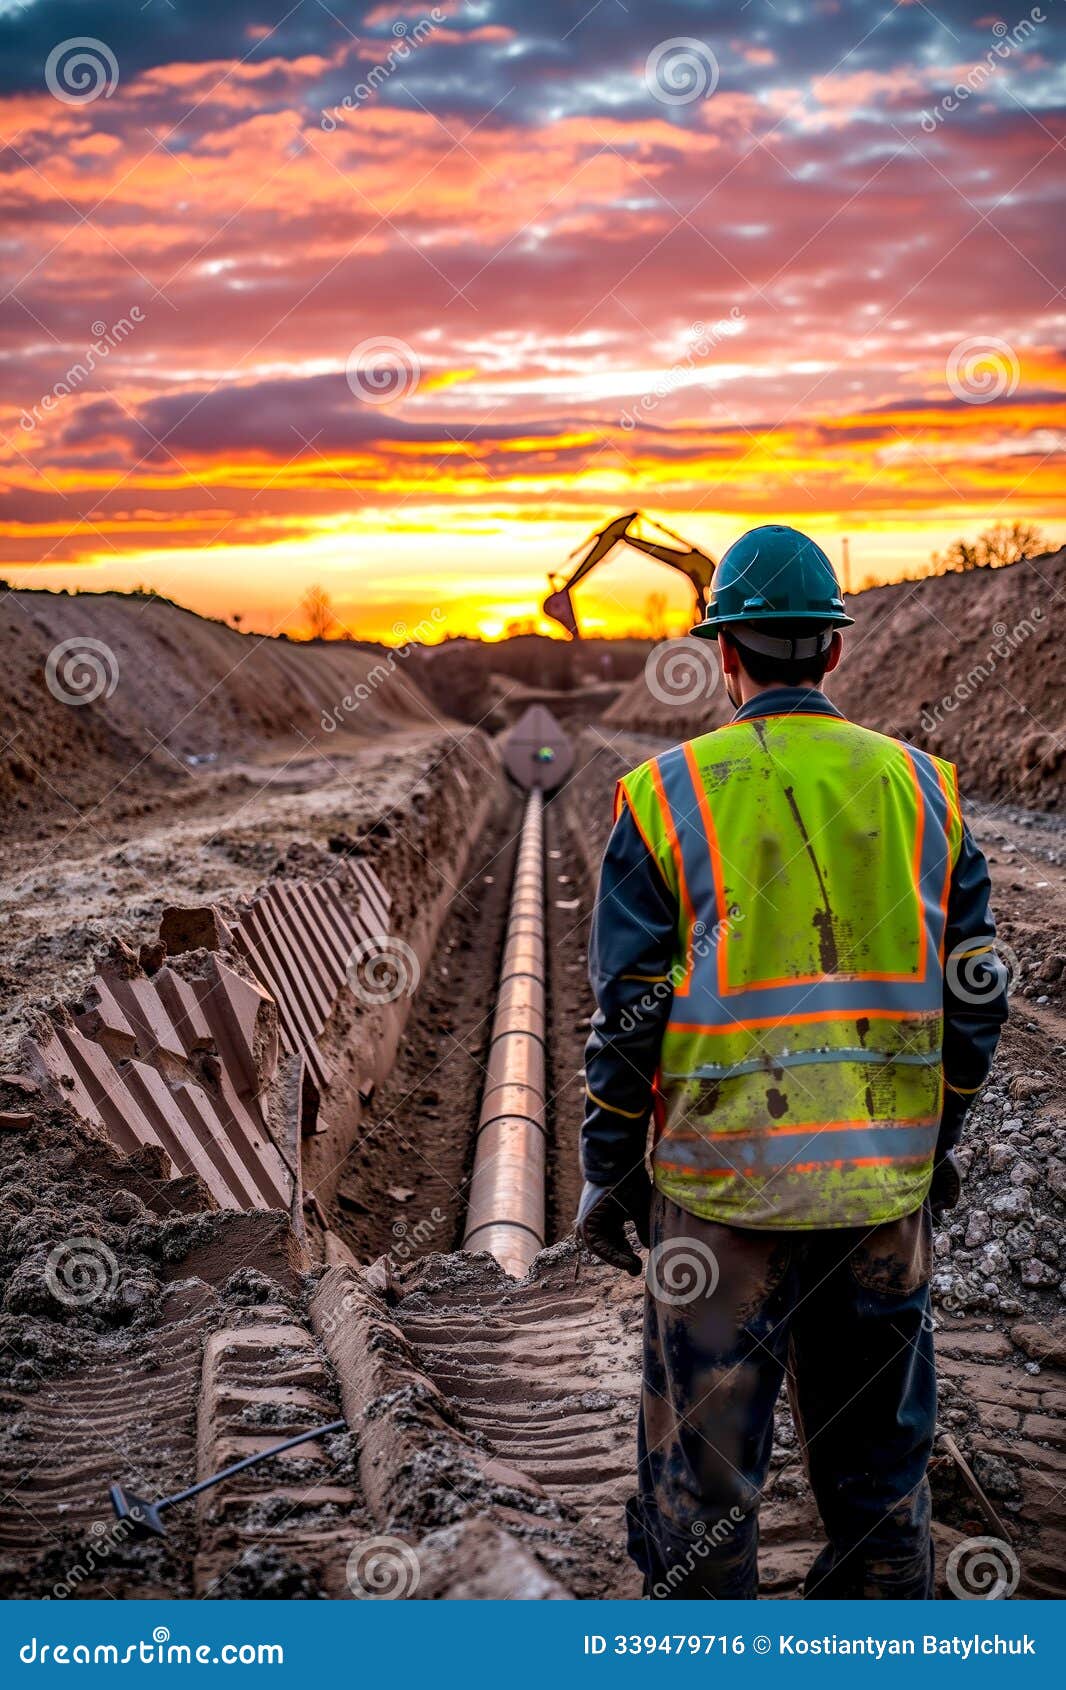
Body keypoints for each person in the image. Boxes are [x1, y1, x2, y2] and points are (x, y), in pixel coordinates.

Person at [575, 524, 1008, 1600]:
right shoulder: (923, 791)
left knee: (700, 1512)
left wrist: (609, 1166)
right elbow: (977, 995)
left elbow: (629, 1011)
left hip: (720, 1203)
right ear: (835, 652)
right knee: (877, 1501)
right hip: (875, 1197)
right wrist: (934, 1139)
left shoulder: (663, 794)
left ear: (724, 654)